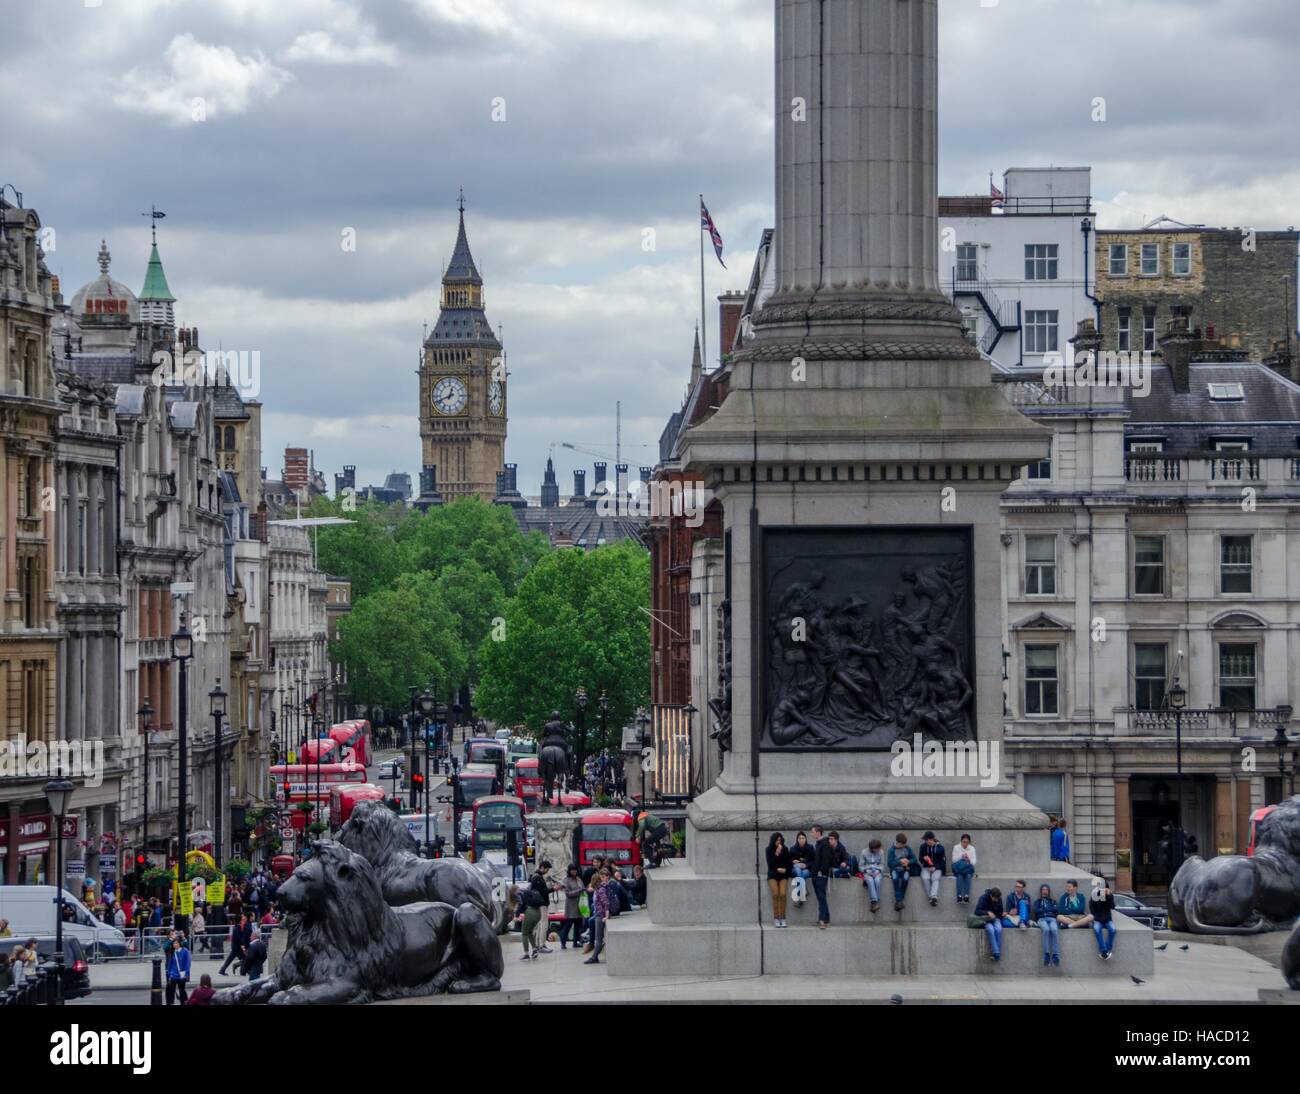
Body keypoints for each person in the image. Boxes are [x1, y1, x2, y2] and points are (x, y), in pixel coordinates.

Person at [520, 860, 553, 960]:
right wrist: (553, 889)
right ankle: (541, 945)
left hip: (538, 906)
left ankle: (537, 946)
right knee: (544, 924)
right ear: (542, 867)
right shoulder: (537, 877)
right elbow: (542, 891)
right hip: (540, 905)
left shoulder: (537, 877)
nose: (547, 871)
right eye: (547, 869)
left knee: (538, 927)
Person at [584, 870, 613, 965]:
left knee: (598, 939)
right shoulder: (599, 889)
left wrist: (606, 916)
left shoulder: (600, 890)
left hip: (600, 916)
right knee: (598, 939)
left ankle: (594, 957)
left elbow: (606, 903)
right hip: (599, 915)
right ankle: (594, 956)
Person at [970, 887, 1004, 961]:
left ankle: (996, 952)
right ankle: (996, 953)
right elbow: (977, 911)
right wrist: (987, 912)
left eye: (998, 898)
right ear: (991, 896)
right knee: (990, 929)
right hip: (985, 919)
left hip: (995, 918)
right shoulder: (983, 898)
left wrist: (999, 914)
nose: (997, 900)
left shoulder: (999, 899)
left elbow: (1000, 912)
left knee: (998, 929)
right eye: (995, 898)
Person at [766, 832, 792, 928]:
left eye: (780, 840)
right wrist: (776, 853)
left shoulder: (785, 849)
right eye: (777, 840)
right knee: (776, 894)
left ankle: (782, 918)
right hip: (772, 874)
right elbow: (770, 864)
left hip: (783, 875)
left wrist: (785, 870)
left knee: (782, 894)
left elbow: (789, 864)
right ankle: (776, 918)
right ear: (773, 840)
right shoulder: (768, 849)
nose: (778, 842)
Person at [1033, 883, 1061, 967]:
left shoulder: (1053, 901)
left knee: (1054, 930)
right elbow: (1036, 911)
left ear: (1048, 891)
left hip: (1052, 919)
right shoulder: (1037, 901)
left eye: (1046, 890)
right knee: (1046, 929)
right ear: (1041, 891)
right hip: (1041, 919)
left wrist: (1045, 909)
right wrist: (1048, 910)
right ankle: (1047, 954)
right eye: (1043, 889)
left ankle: (1055, 955)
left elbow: (1056, 910)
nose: (1045, 891)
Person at [811, 826, 833, 928]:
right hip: (816, 874)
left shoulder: (825, 844)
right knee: (821, 897)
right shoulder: (818, 844)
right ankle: (826, 919)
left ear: (818, 832)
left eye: (813, 832)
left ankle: (822, 920)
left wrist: (821, 871)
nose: (811, 834)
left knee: (821, 897)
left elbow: (826, 860)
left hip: (820, 875)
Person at [559, 864, 585, 949]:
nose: (574, 871)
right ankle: (563, 943)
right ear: (569, 871)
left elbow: (583, 889)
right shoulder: (566, 880)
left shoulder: (578, 879)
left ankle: (575, 942)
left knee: (577, 925)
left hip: (579, 905)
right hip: (571, 906)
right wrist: (579, 890)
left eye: (575, 870)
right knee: (568, 925)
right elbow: (568, 894)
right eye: (572, 870)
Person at [1089, 877, 1117, 960]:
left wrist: (1108, 896)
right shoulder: (1094, 895)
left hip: (1108, 919)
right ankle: (1104, 950)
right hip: (1098, 920)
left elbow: (1112, 906)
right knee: (1097, 930)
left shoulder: (1109, 895)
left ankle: (1107, 950)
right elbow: (1091, 907)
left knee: (1113, 930)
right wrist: (1095, 916)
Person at [918, 831, 947, 908]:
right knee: (925, 878)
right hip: (926, 867)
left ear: (931, 839)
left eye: (926, 840)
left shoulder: (940, 848)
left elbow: (943, 862)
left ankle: (933, 896)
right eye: (925, 840)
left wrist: (935, 867)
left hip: (937, 868)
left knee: (935, 878)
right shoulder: (923, 846)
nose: (925, 841)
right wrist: (924, 858)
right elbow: (920, 859)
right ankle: (932, 897)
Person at [887, 833, 914, 911]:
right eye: (902, 844)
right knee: (895, 878)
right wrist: (899, 861)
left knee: (905, 878)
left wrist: (908, 861)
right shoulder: (891, 850)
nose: (903, 846)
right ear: (897, 842)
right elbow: (890, 863)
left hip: (905, 869)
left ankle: (899, 900)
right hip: (895, 869)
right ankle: (899, 900)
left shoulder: (907, 848)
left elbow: (914, 859)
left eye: (904, 844)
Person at [165, 932, 191, 1005]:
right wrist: (169, 974)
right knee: (171, 991)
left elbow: (188, 964)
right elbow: (170, 964)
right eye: (174, 943)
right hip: (173, 975)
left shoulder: (185, 951)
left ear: (179, 943)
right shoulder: (172, 952)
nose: (175, 945)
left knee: (182, 991)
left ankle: (182, 1003)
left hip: (182, 975)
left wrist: (186, 973)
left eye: (176, 943)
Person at [859, 838, 884, 912]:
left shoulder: (881, 852)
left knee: (877, 880)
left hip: (877, 871)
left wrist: (878, 871)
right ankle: (874, 902)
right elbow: (860, 866)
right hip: (867, 871)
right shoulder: (864, 852)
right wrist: (866, 871)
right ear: (873, 848)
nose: (879, 850)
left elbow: (882, 864)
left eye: (879, 848)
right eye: (877, 849)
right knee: (870, 880)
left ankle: (876, 900)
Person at [951, 834, 976, 904]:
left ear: (969, 842)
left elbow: (974, 862)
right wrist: (961, 856)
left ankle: (966, 896)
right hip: (959, 869)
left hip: (967, 869)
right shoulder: (956, 847)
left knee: (968, 876)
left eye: (967, 842)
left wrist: (968, 859)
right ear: (961, 841)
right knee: (959, 876)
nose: (965, 843)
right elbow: (953, 860)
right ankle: (959, 896)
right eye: (963, 842)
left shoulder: (972, 848)